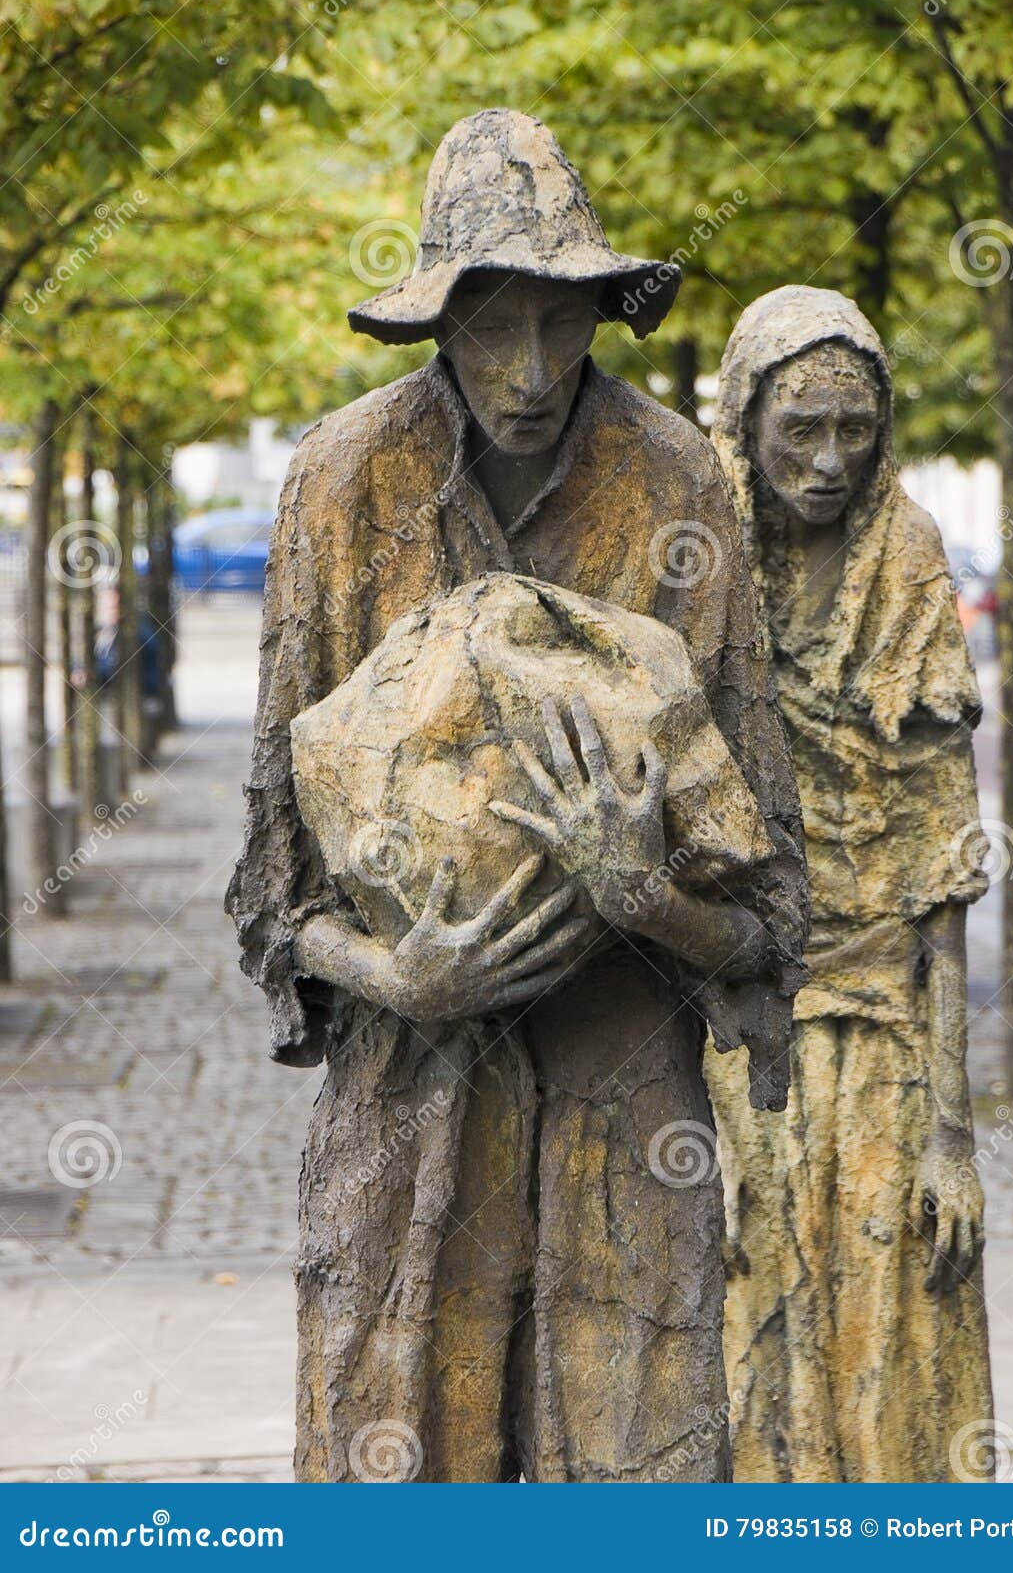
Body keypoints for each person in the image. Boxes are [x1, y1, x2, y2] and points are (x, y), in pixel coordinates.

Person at [227, 110, 806, 1482]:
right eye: (490, 322)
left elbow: (772, 909)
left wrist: (646, 895)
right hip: (407, 1093)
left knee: (630, 1473)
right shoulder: (340, 481)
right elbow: (267, 886)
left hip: (623, 1102)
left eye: (561, 321)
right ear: (437, 317)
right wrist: (389, 967)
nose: (530, 368)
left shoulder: (675, 481)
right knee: (398, 1477)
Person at [705, 284, 993, 1482]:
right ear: (744, 419)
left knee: (894, 1331)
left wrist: (956, 1136)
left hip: (883, 1031)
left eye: (855, 431)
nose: (828, 463)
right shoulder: (697, 555)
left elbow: (941, 869)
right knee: (746, 1329)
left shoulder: (909, 559)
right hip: (730, 1022)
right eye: (799, 432)